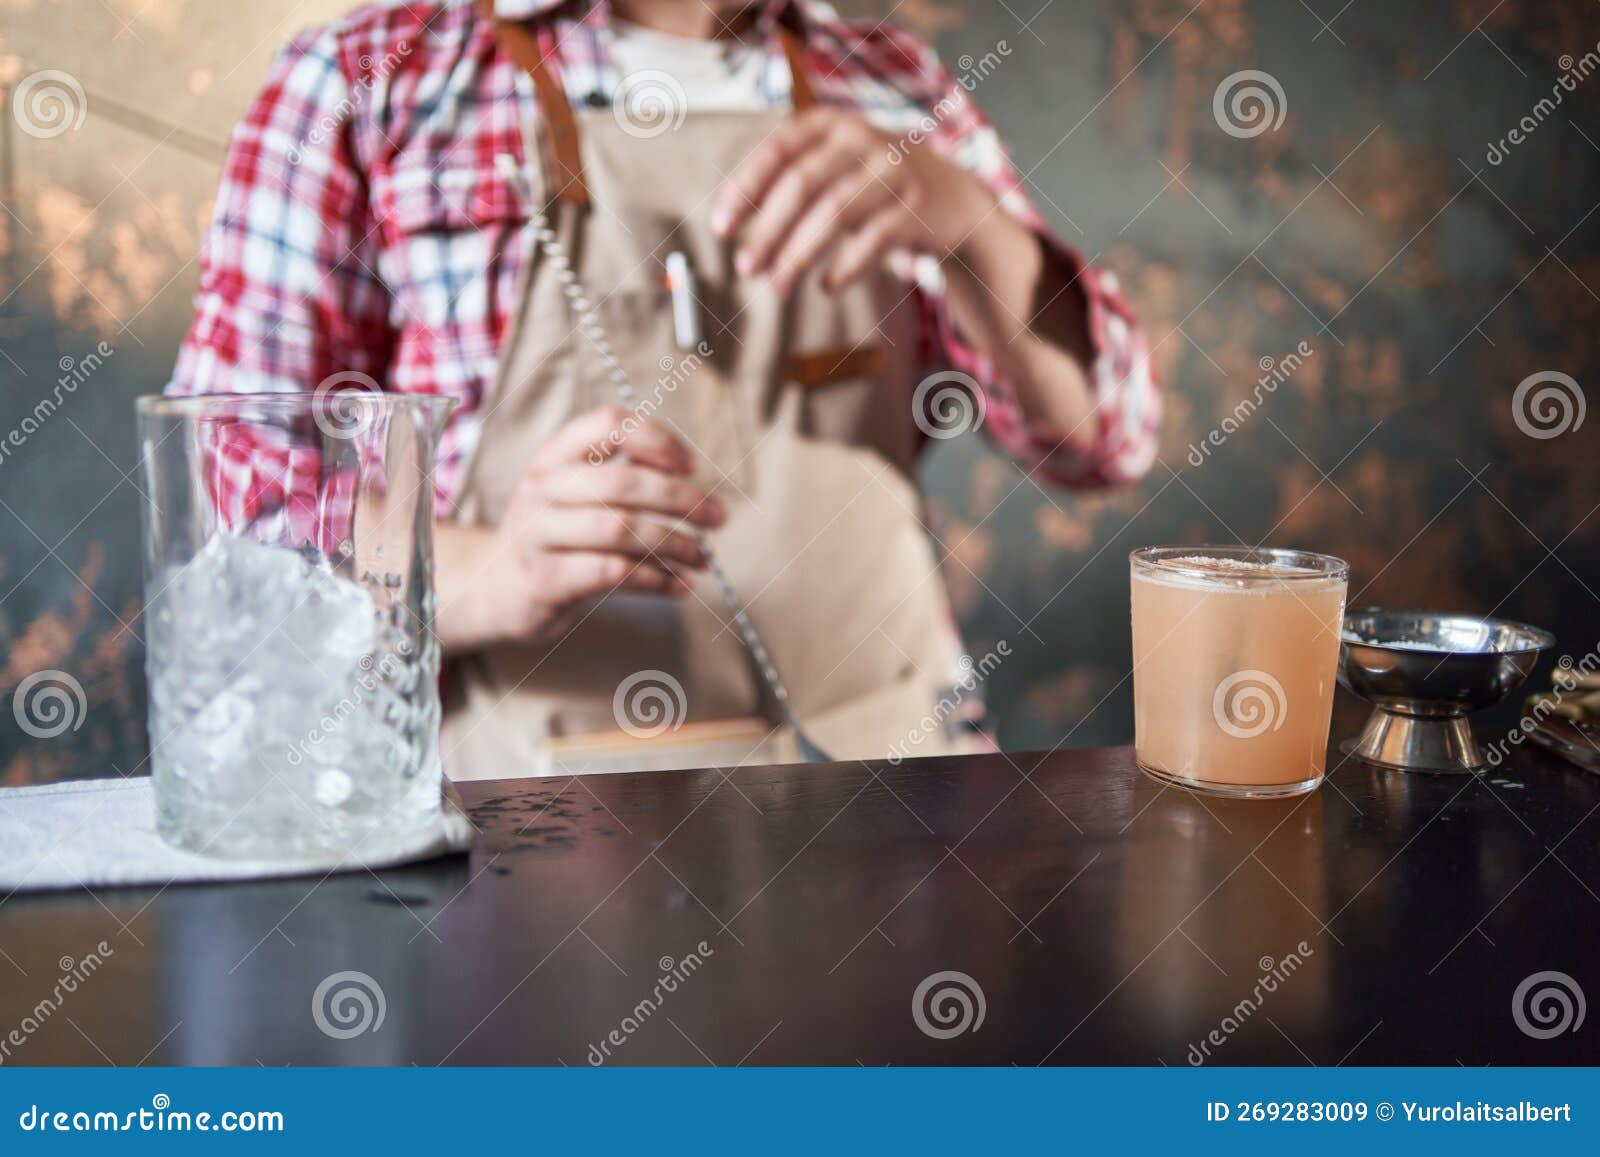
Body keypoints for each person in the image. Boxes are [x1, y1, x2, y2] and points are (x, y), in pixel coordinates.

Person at [169, 0, 1160, 777]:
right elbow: (237, 526)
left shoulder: (895, 83)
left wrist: (970, 224)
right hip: (547, 828)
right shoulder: (367, 83)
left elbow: (1100, 441)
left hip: (901, 786)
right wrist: (495, 567)